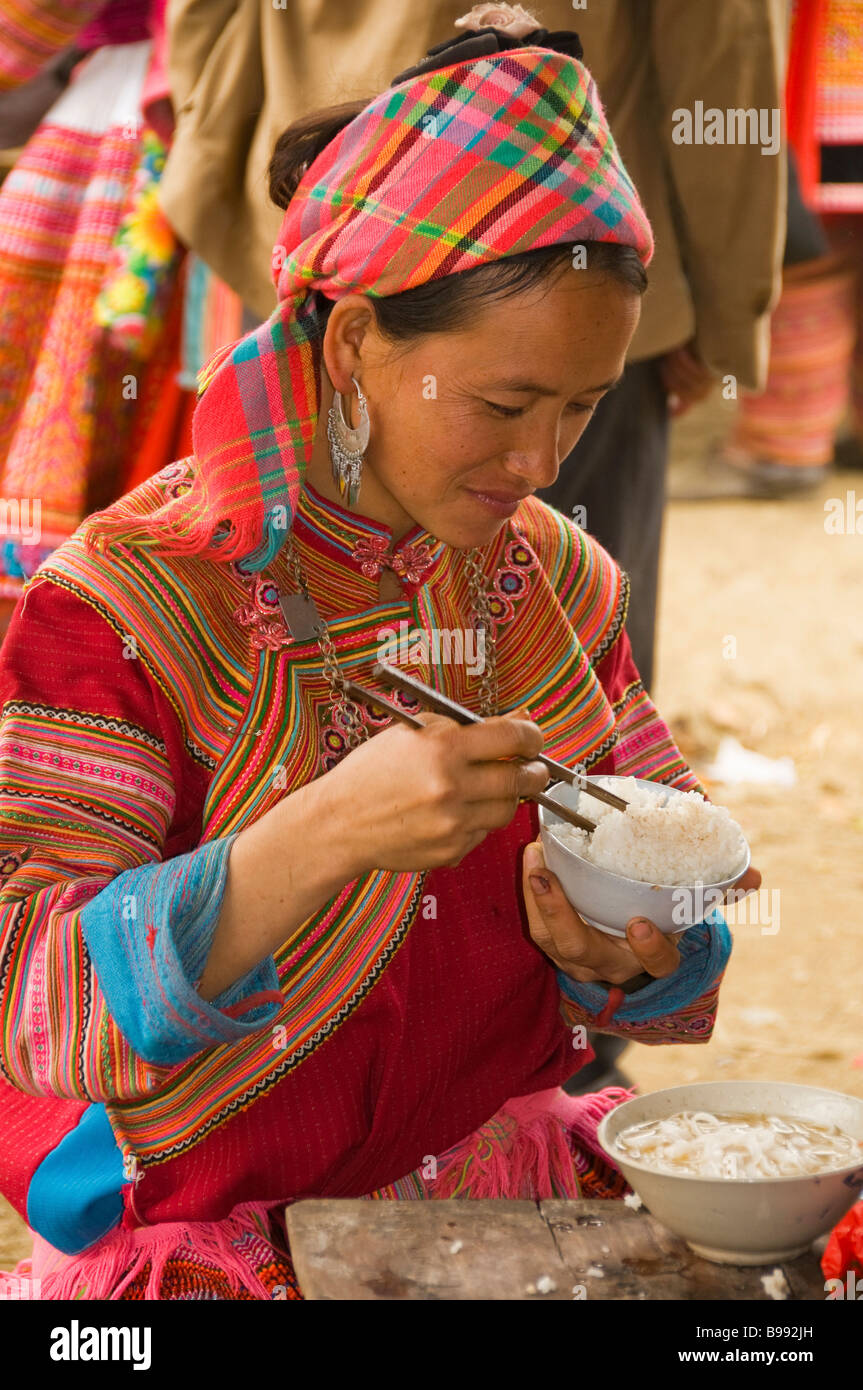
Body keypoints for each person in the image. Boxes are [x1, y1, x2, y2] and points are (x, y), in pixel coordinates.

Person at [0, 24, 758, 1300]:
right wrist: (320, 834)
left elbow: (668, 857)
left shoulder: (555, 583)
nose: (542, 465)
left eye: (579, 407)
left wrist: (629, 945)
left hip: (493, 1208)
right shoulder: (133, 600)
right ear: (353, 341)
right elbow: (26, 993)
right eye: (503, 405)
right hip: (217, 1249)